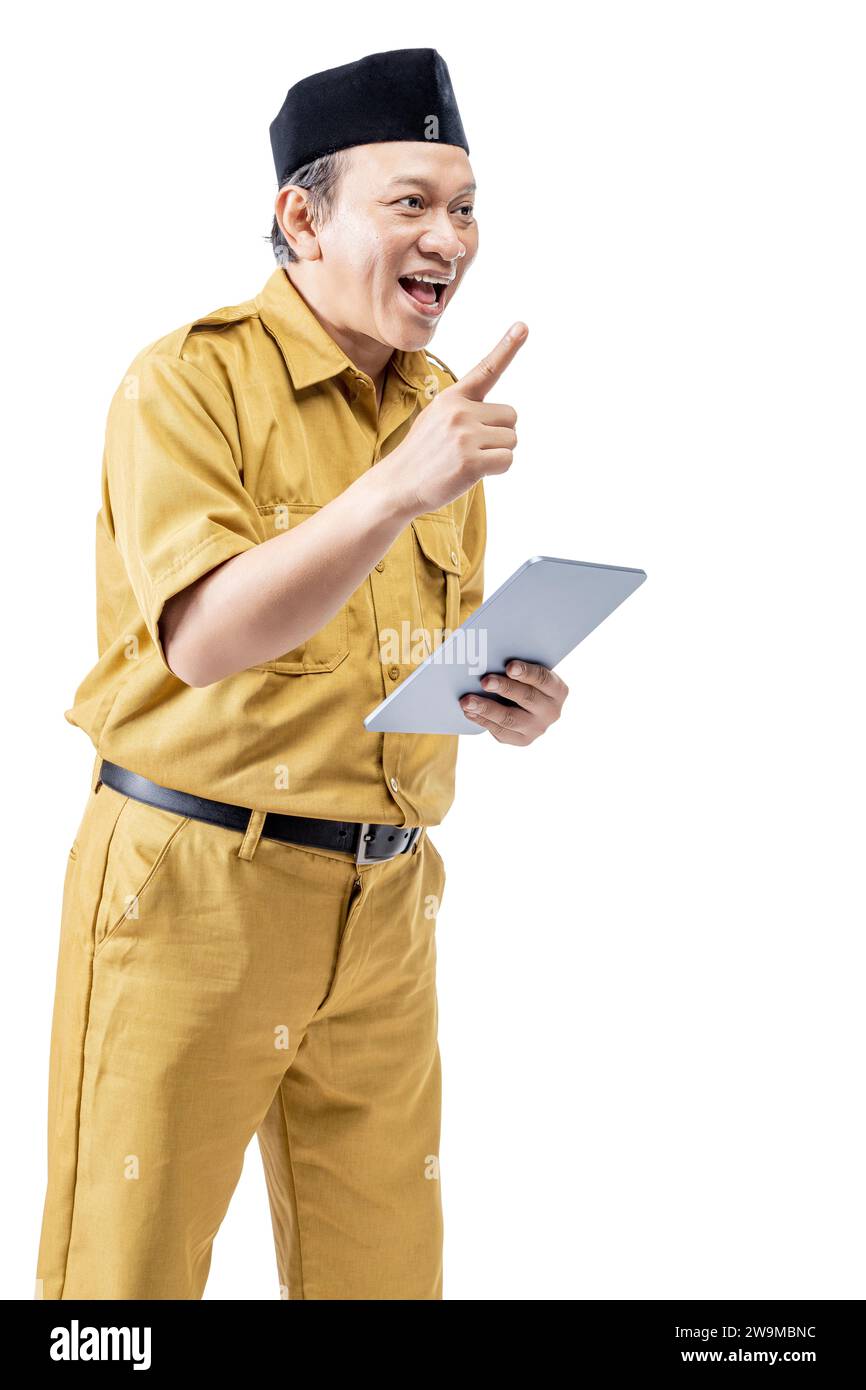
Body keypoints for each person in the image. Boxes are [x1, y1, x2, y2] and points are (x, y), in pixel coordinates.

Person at [35, 47, 569, 1301]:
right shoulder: (186, 382)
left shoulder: (429, 406)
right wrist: (400, 485)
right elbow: (208, 639)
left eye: (465, 204)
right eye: (411, 202)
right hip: (191, 898)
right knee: (121, 1293)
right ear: (300, 217)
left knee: (383, 1285)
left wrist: (504, 697)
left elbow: (386, 653)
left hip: (385, 910)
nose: (451, 236)